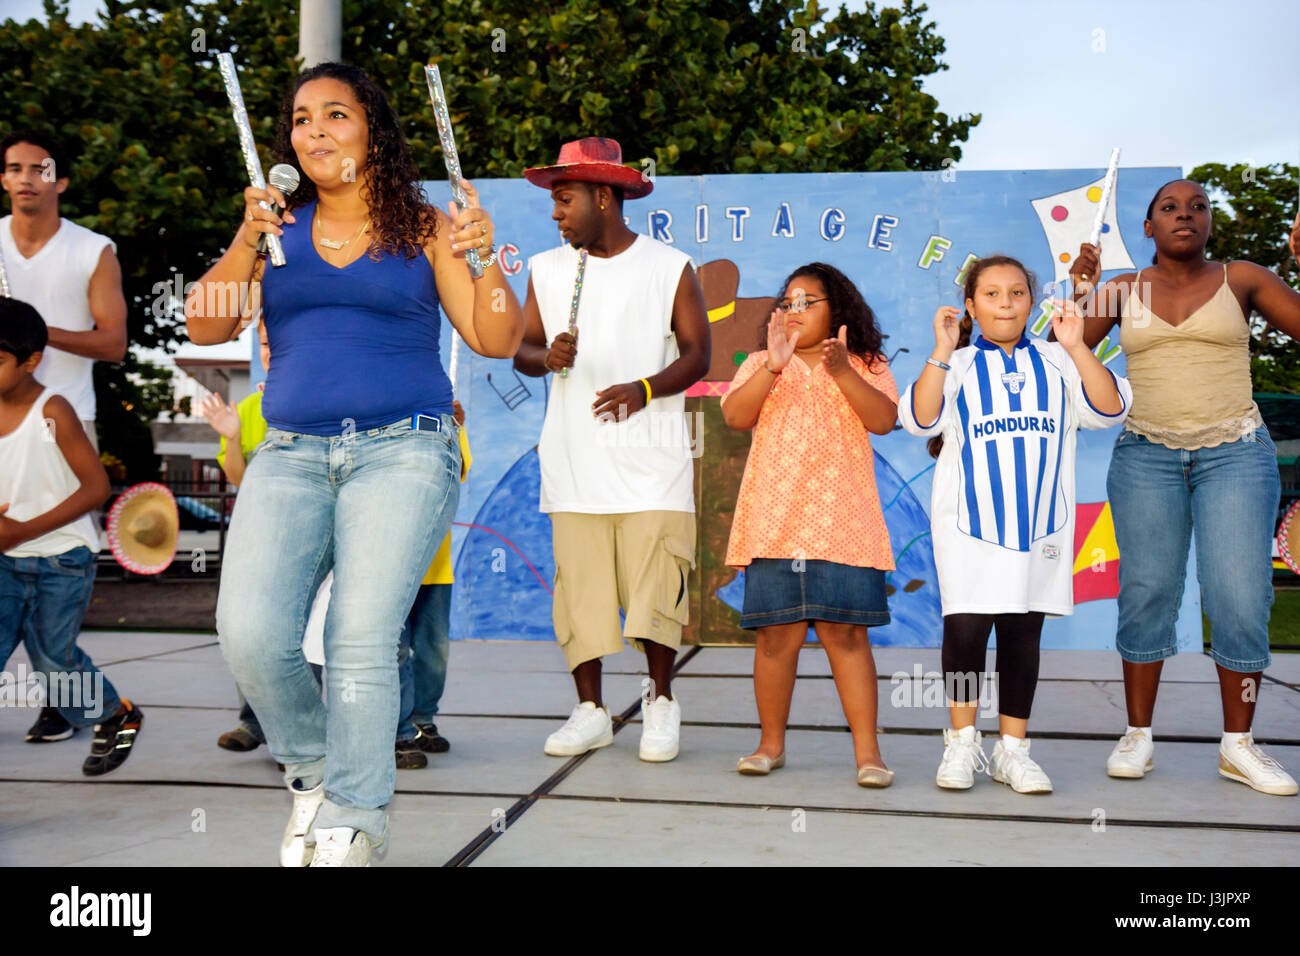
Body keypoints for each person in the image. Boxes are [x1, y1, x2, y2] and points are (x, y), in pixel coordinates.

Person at [185, 61, 523, 866]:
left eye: (336, 114)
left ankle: (357, 818)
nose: (316, 132)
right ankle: (312, 776)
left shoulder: (426, 226)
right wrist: (244, 234)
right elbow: (205, 328)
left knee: (361, 633)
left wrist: (486, 260)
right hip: (292, 452)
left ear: (372, 128)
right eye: (302, 119)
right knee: (250, 632)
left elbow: (498, 339)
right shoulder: (274, 230)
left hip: (405, 446)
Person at [1070, 180, 1300, 796]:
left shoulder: (1243, 277)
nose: (1185, 215)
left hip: (1235, 454)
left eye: (1198, 207)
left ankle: (1238, 746)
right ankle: (1138, 734)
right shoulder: (1119, 289)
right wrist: (1078, 297)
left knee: (1240, 594)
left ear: (1210, 224)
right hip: (1146, 455)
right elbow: (1060, 362)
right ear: (1148, 228)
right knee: (1147, 590)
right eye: (1169, 207)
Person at [899, 255, 1130, 793]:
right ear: (971, 306)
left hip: (1041, 527)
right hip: (968, 527)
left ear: (1032, 300)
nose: (1005, 303)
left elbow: (1111, 407)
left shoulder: (1057, 360)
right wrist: (939, 349)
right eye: (992, 294)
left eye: (1016, 293)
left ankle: (1013, 750)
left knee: (1023, 635)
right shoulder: (954, 366)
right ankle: (961, 744)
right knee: (966, 632)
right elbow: (920, 419)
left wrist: (1077, 345)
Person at [513, 137, 709, 762]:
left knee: (656, 592)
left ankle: (659, 702)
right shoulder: (546, 270)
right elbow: (523, 349)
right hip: (574, 464)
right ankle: (591, 711)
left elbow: (699, 354)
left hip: (653, 467)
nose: (555, 212)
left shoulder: (669, 266)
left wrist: (645, 388)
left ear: (605, 196)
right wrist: (547, 357)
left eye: (564, 199)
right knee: (583, 596)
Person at [722, 263, 898, 786]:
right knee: (776, 638)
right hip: (774, 524)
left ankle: (869, 754)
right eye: (789, 301)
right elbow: (735, 416)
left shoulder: (866, 362)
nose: (795, 309)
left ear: (837, 309)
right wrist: (772, 368)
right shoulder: (759, 362)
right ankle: (769, 745)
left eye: (809, 301)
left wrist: (843, 370)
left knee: (847, 635)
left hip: (844, 525)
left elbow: (885, 420)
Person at [1, 129, 128, 742]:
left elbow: (113, 342)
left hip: (62, 417)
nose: (26, 177)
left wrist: (32, 335)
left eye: (39, 168)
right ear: (3, 180)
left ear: (61, 181)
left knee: (54, 557)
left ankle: (65, 695)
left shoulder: (91, 250)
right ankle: (61, 687)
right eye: (14, 168)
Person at [0, 297, 143, 775]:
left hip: (61, 557)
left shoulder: (53, 411)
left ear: (30, 361)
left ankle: (116, 715)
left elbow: (97, 487)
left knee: (52, 661)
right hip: (3, 559)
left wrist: (23, 530)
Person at [200, 320, 322, 756]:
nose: (271, 352)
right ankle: (255, 723)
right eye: (266, 344)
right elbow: (239, 479)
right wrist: (232, 437)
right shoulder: (249, 408)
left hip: (314, 541)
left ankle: (303, 738)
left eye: (280, 341)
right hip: (261, 537)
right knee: (252, 630)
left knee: (309, 638)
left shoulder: (326, 402)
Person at [395, 400, 471, 769]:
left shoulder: (444, 417)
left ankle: (424, 720)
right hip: (391, 563)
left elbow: (457, 471)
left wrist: (454, 429)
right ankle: (400, 728)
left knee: (433, 649)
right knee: (395, 650)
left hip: (435, 567)